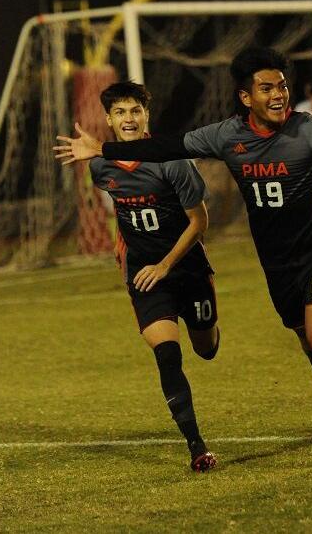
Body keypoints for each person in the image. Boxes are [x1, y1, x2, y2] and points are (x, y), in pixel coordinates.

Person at [56, 48, 312, 465]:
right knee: (310, 344)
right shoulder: (226, 136)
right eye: (267, 88)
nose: (278, 95)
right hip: (275, 261)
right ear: (245, 97)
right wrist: (104, 150)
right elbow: (165, 147)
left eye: (282, 86)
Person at [87, 81, 221, 472]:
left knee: (206, 348)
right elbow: (122, 208)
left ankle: (208, 322)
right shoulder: (100, 166)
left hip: (188, 269)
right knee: (167, 355)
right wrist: (121, 244)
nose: (128, 119)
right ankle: (197, 446)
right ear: (109, 119)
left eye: (135, 111)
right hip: (145, 275)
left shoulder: (172, 162)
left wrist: (166, 264)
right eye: (120, 112)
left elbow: (200, 222)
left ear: (146, 116)